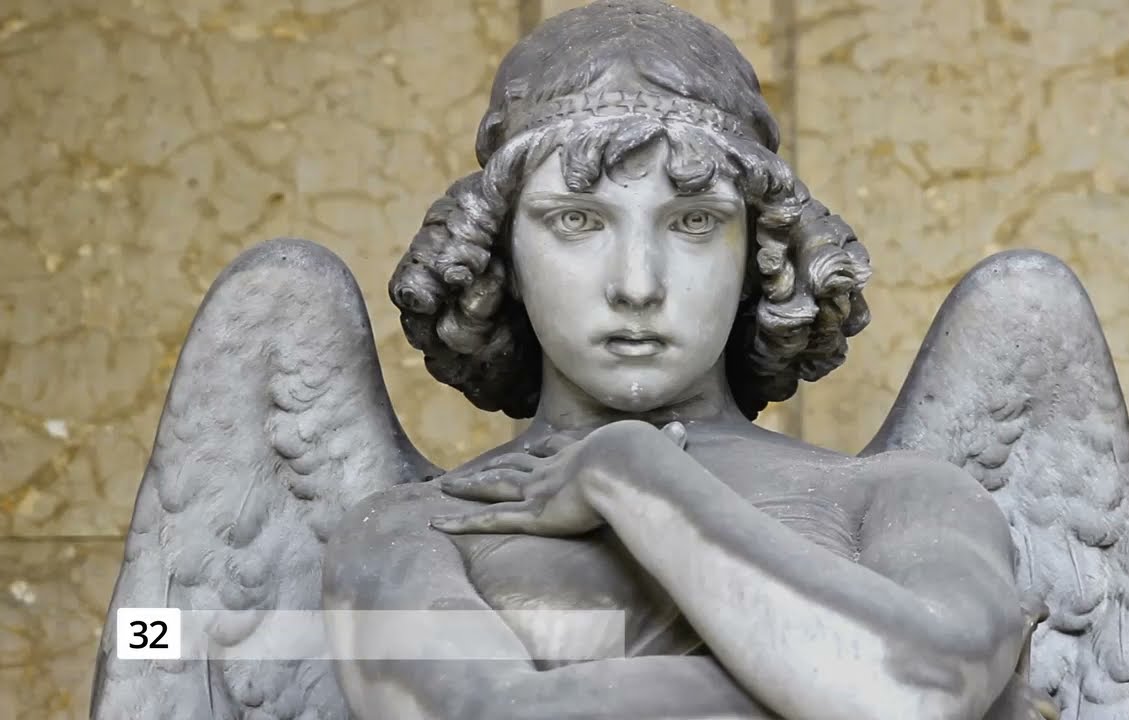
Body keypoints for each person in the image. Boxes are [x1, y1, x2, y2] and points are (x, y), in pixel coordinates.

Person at [322, 2, 1035, 718]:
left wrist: (631, 473)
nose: (637, 285)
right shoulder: (404, 531)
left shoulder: (902, 496)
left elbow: (915, 692)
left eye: (695, 222)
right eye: (576, 220)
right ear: (500, 255)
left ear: (763, 253)